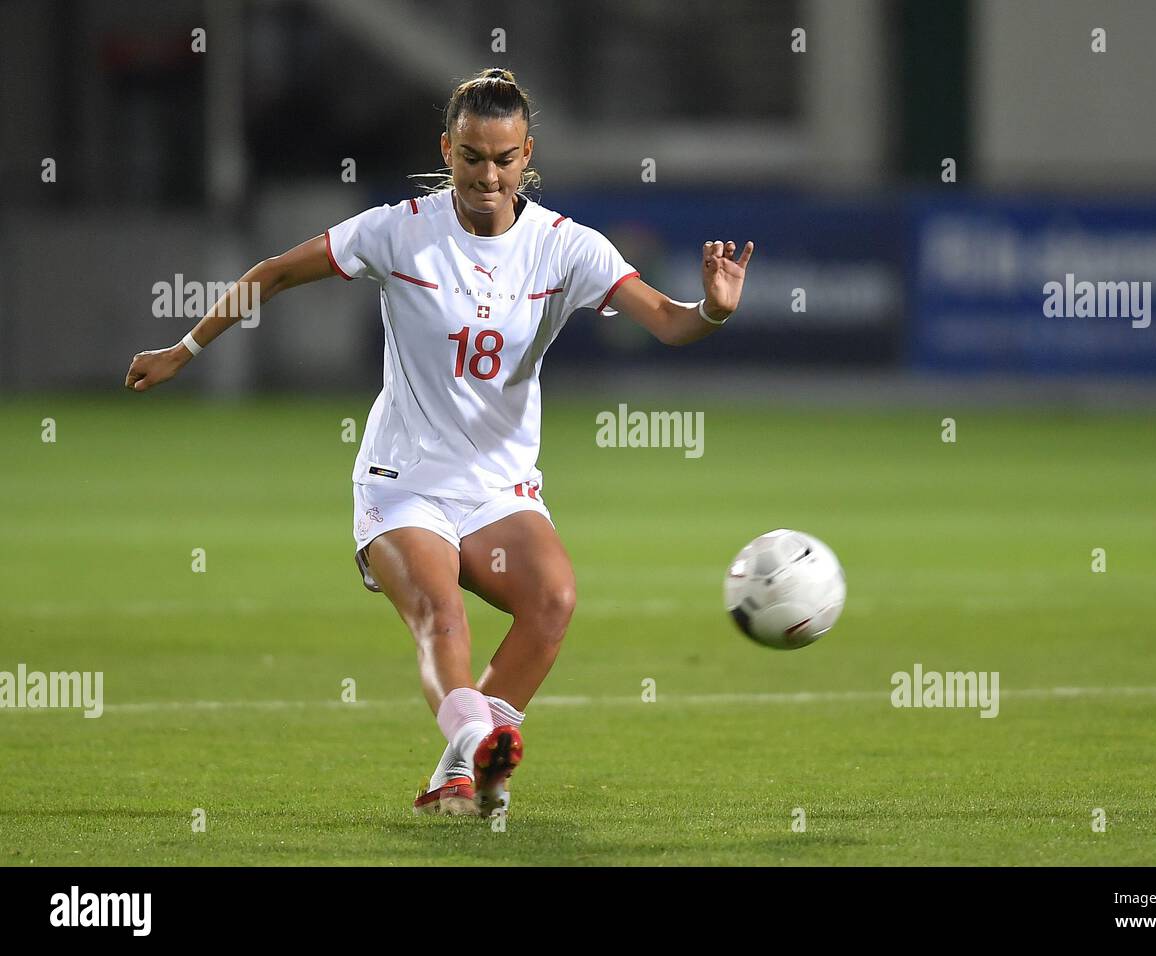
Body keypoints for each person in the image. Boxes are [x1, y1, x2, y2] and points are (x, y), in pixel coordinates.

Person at [124, 67, 754, 819]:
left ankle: (466, 766)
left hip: (498, 489)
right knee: (441, 618)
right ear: (446, 150)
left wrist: (712, 310)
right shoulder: (399, 230)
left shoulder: (566, 248)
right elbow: (274, 272)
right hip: (404, 480)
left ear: (528, 157)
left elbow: (670, 321)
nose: (488, 175)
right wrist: (183, 351)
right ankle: (472, 754)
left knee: (552, 600)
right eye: (472, 157)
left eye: (505, 158)